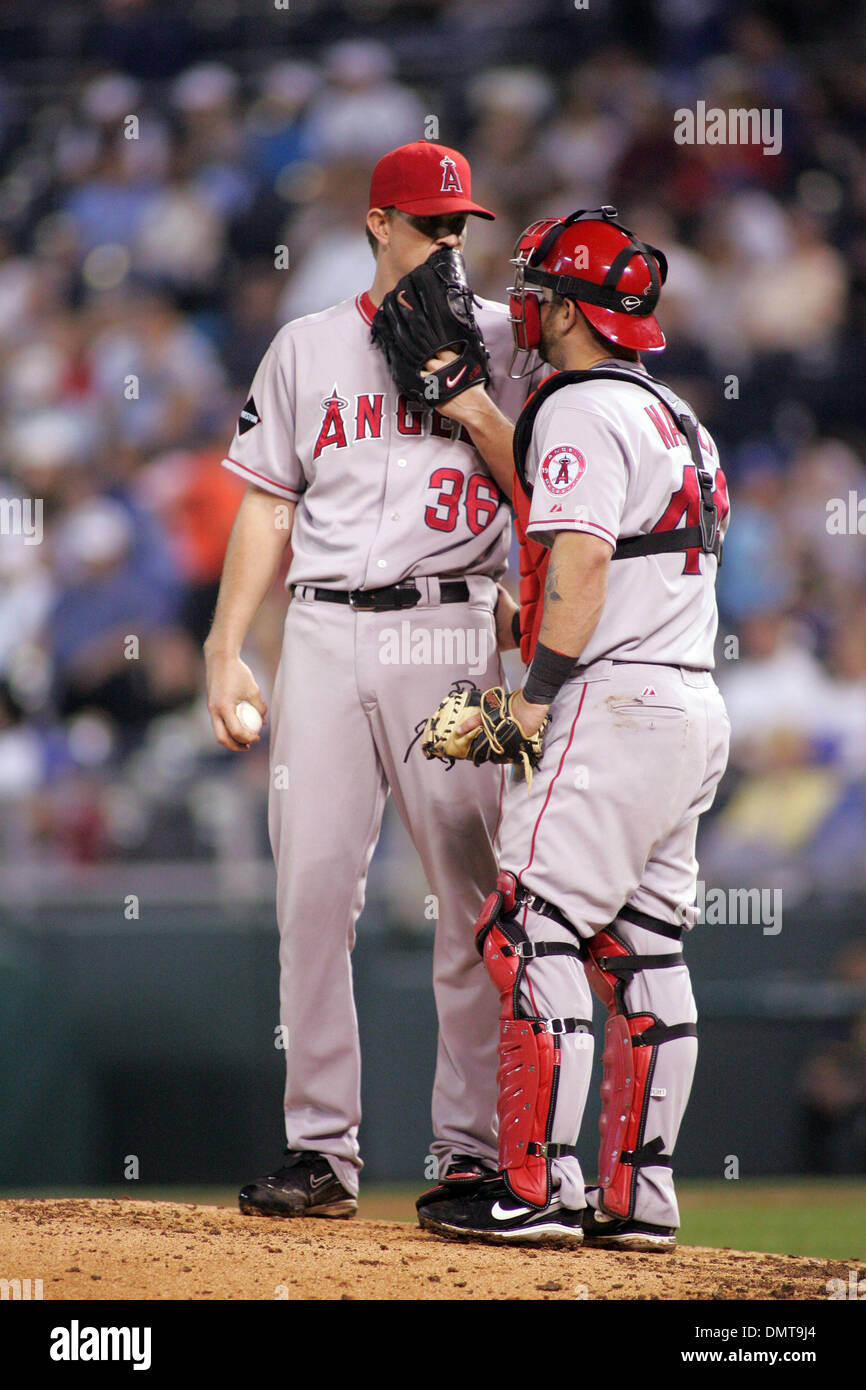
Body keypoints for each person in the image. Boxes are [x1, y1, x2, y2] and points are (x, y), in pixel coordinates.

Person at [204, 140, 534, 1217]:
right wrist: (223, 645)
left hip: (455, 637)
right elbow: (265, 503)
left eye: (459, 228)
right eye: (430, 224)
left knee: (472, 899)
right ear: (377, 224)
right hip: (323, 632)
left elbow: (552, 489)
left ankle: (473, 1153)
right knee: (308, 896)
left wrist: (474, 400)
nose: (447, 242)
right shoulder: (305, 347)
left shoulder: (505, 343)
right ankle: (320, 1151)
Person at [416, 207, 731, 1250]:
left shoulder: (577, 408)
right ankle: (639, 1197)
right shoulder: (676, 415)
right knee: (642, 953)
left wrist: (537, 692)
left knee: (527, 926)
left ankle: (536, 1188)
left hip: (614, 693)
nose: (531, 309)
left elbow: (587, 562)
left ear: (566, 310)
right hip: (688, 700)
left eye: (541, 293)